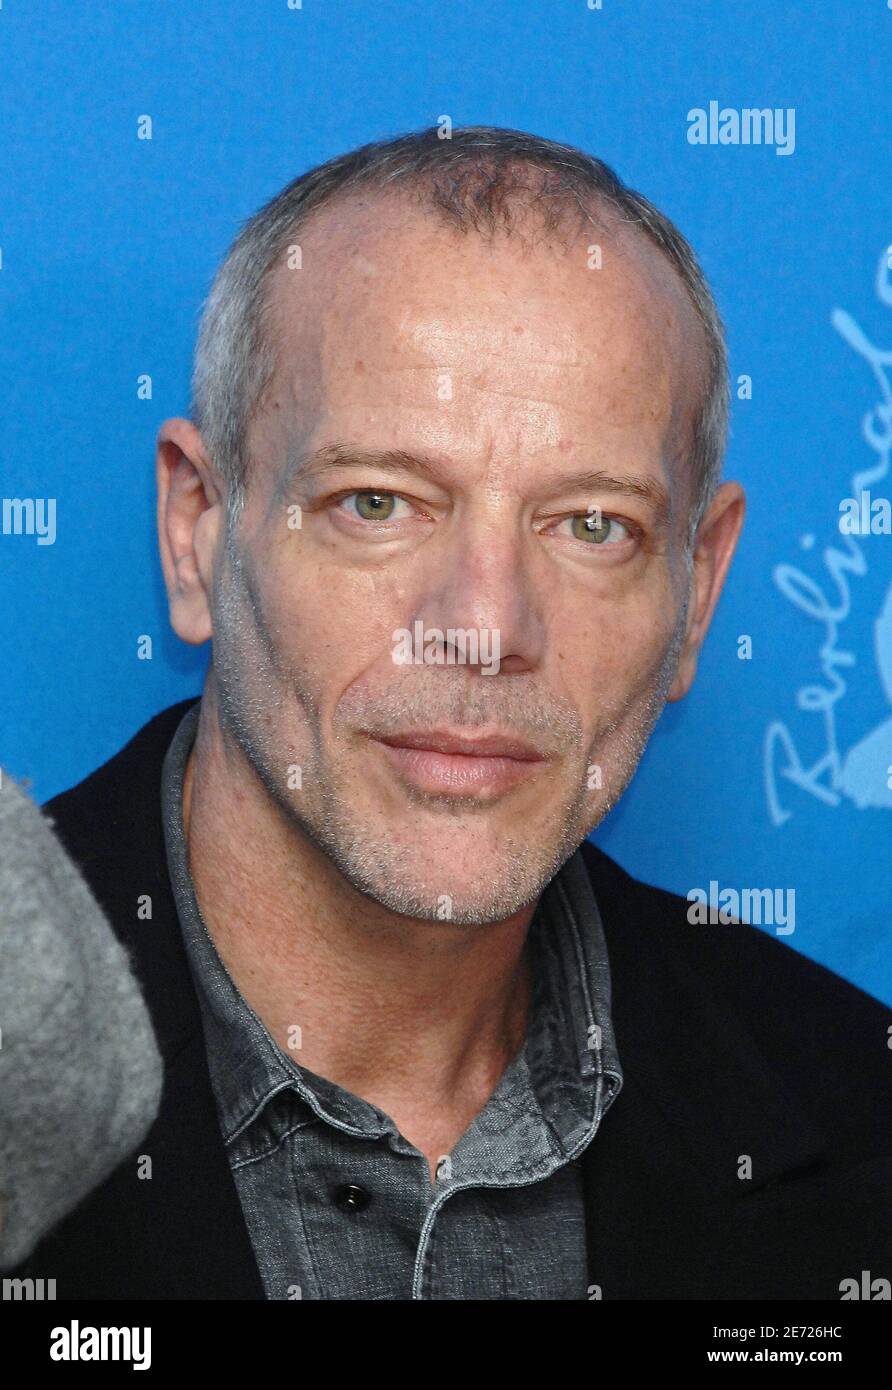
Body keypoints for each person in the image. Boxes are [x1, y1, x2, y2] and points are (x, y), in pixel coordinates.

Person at [13, 125, 891, 1300]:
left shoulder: (854, 1105)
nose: (483, 628)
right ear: (197, 530)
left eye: (592, 525)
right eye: (378, 502)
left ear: (695, 593)